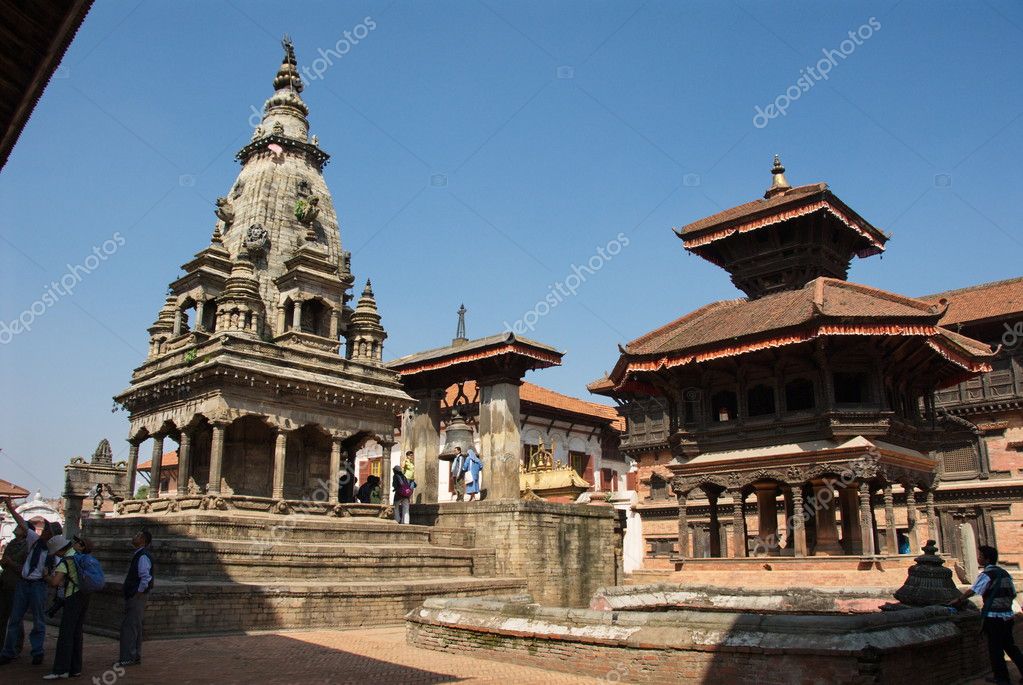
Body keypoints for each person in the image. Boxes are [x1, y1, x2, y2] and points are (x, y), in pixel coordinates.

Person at [949, 545, 1023, 685]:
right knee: (1010, 647)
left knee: (995, 649)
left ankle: (1002, 678)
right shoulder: (1005, 573)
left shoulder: (987, 574)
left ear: (987, 559)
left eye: (981, 556)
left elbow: (974, 590)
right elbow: (1012, 593)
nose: (978, 558)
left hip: (994, 617)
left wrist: (959, 600)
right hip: (1007, 616)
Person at [0, 496, 54, 666]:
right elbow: (22, 523)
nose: (42, 531)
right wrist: (10, 507)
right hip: (25, 583)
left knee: (38, 620)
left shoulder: (52, 549)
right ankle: (9, 651)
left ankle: (37, 651)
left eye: (46, 530)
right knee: (15, 618)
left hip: (38, 584)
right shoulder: (34, 542)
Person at [43, 535, 89, 680]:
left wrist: (46, 576)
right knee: (76, 632)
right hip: (84, 595)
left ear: (58, 550)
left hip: (72, 596)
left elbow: (55, 582)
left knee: (66, 634)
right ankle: (75, 668)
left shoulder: (66, 561)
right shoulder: (79, 555)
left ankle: (61, 669)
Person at [116, 530, 153, 667]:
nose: (134, 537)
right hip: (136, 594)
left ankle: (128, 656)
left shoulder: (142, 556)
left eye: (137, 535)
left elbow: (145, 577)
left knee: (130, 626)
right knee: (135, 625)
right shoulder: (139, 555)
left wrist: (138, 592)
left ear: (143, 540)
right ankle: (134, 654)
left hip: (137, 595)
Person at [0, 523, 27, 654]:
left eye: (20, 527)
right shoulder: (11, 543)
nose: (17, 528)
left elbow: (24, 569)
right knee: (2, 616)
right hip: (5, 581)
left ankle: (16, 646)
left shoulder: (26, 546)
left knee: (15, 617)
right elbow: (5, 560)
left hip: (16, 584)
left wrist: (11, 563)